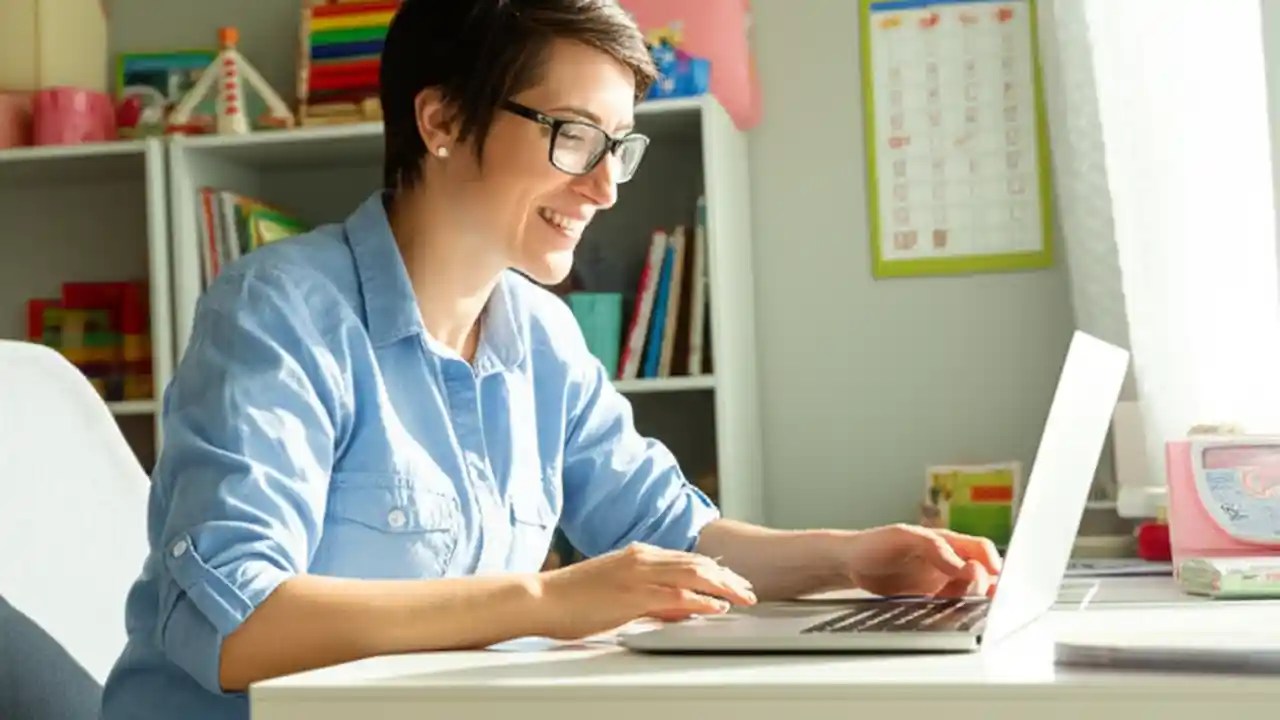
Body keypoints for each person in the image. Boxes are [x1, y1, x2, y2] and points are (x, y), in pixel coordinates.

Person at [100, 1, 1001, 718]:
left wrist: (854, 559)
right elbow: (234, 629)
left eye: (619, 146)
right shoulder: (278, 314)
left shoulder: (542, 336)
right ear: (442, 118)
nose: (606, 184)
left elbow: (675, 537)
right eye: (573, 135)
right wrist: (546, 600)